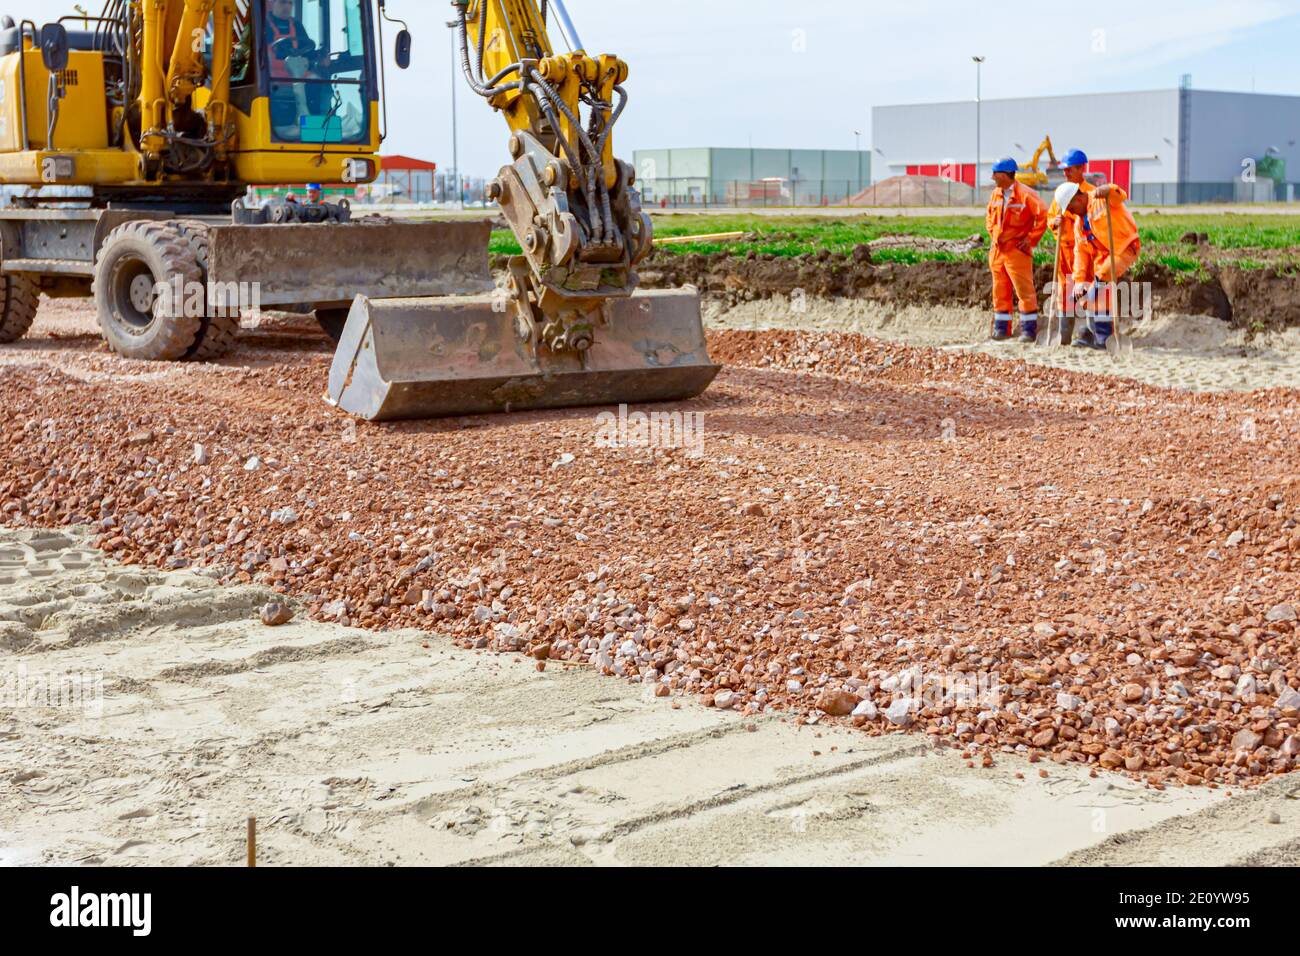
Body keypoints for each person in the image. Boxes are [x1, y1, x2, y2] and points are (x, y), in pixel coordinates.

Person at [1056, 180, 1141, 350]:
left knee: (1101, 280)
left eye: (1071, 208)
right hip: (1102, 260)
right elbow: (1080, 254)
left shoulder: (1100, 198)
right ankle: (1100, 337)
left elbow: (1120, 195)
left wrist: (1108, 189)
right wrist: (1079, 281)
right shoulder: (1079, 226)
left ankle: (1097, 332)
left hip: (1124, 247)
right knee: (1092, 294)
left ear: (1077, 199)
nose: (1072, 213)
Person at [985, 157, 1048, 341]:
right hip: (997, 250)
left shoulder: (1025, 194)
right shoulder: (996, 194)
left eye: (995, 174)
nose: (993, 178)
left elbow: (1043, 215)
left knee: (1024, 291)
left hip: (1016, 251)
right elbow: (989, 217)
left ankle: (1028, 331)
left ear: (1005, 175)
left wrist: (1030, 239)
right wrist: (993, 234)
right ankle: (1002, 329)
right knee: (1000, 290)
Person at [1045, 149, 1094, 342]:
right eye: (1064, 170)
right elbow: (1050, 218)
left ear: (1082, 169)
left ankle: (1091, 333)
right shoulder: (1061, 194)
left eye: (1070, 170)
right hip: (1064, 252)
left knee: (1086, 292)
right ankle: (1064, 335)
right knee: (1065, 295)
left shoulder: (1089, 193)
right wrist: (1054, 223)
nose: (1066, 174)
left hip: (1083, 252)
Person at [266, 0, 320, 138]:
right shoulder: (262, 24)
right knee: (268, 88)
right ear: (273, 4)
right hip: (272, 75)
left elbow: (308, 51)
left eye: (290, 3)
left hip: (297, 73)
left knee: (318, 83)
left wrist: (320, 56)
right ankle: (273, 126)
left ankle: (316, 126)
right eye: (283, 3)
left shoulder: (296, 25)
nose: (287, 7)